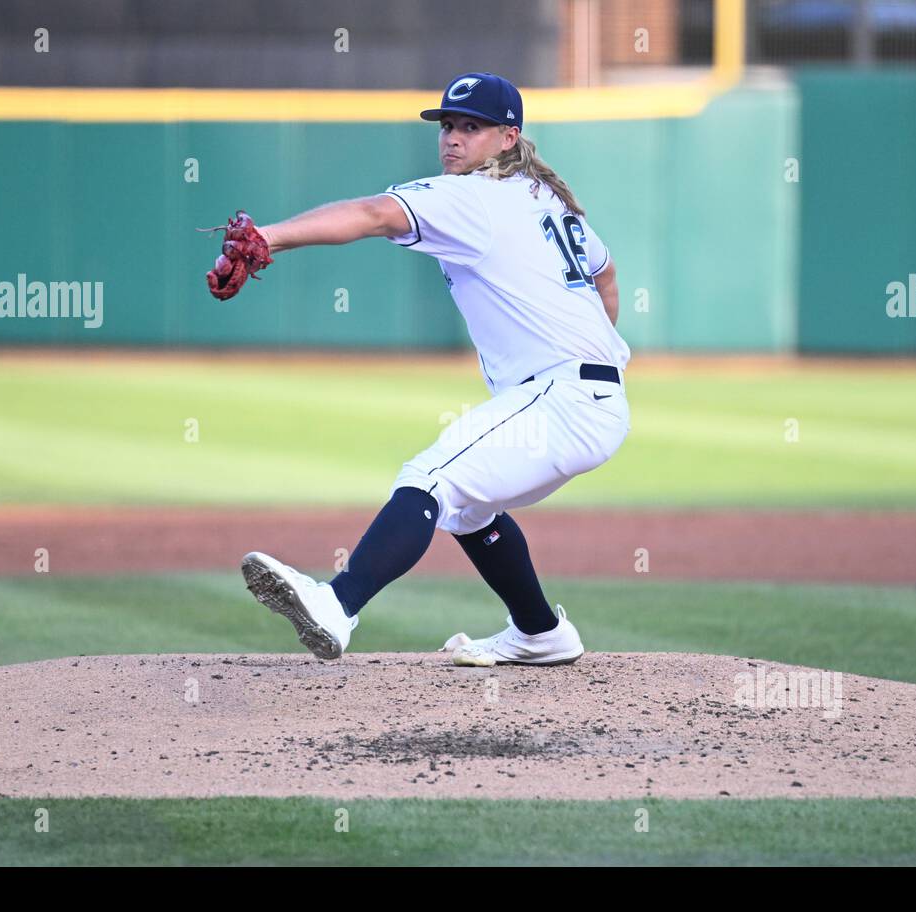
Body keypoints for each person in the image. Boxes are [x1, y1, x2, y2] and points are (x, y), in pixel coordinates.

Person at [217, 72, 630, 663]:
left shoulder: (471, 197)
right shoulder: (543, 198)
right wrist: (598, 355)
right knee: (468, 508)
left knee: (430, 478)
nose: (453, 139)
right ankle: (541, 633)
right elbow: (605, 275)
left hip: (561, 396)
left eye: (472, 127)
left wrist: (268, 236)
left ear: (509, 137)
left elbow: (371, 213)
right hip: (584, 397)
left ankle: (338, 604)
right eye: (448, 126)